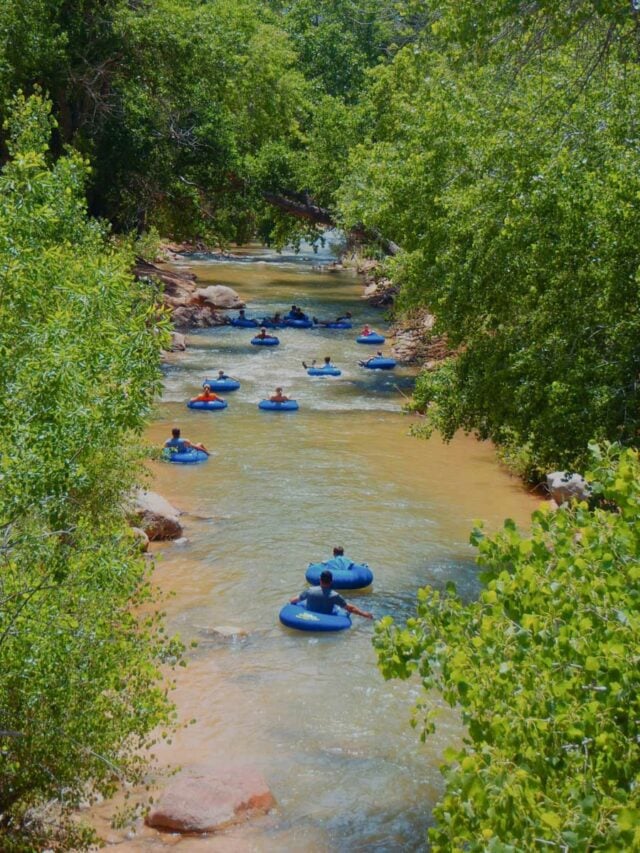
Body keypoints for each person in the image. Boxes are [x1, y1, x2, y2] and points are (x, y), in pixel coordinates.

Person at [290, 570, 372, 619]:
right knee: (338, 608)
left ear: (320, 580)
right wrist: (364, 614)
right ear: (331, 581)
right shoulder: (334, 595)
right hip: (326, 618)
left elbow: (294, 600)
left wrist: (290, 601)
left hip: (310, 615)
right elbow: (350, 608)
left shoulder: (310, 590)